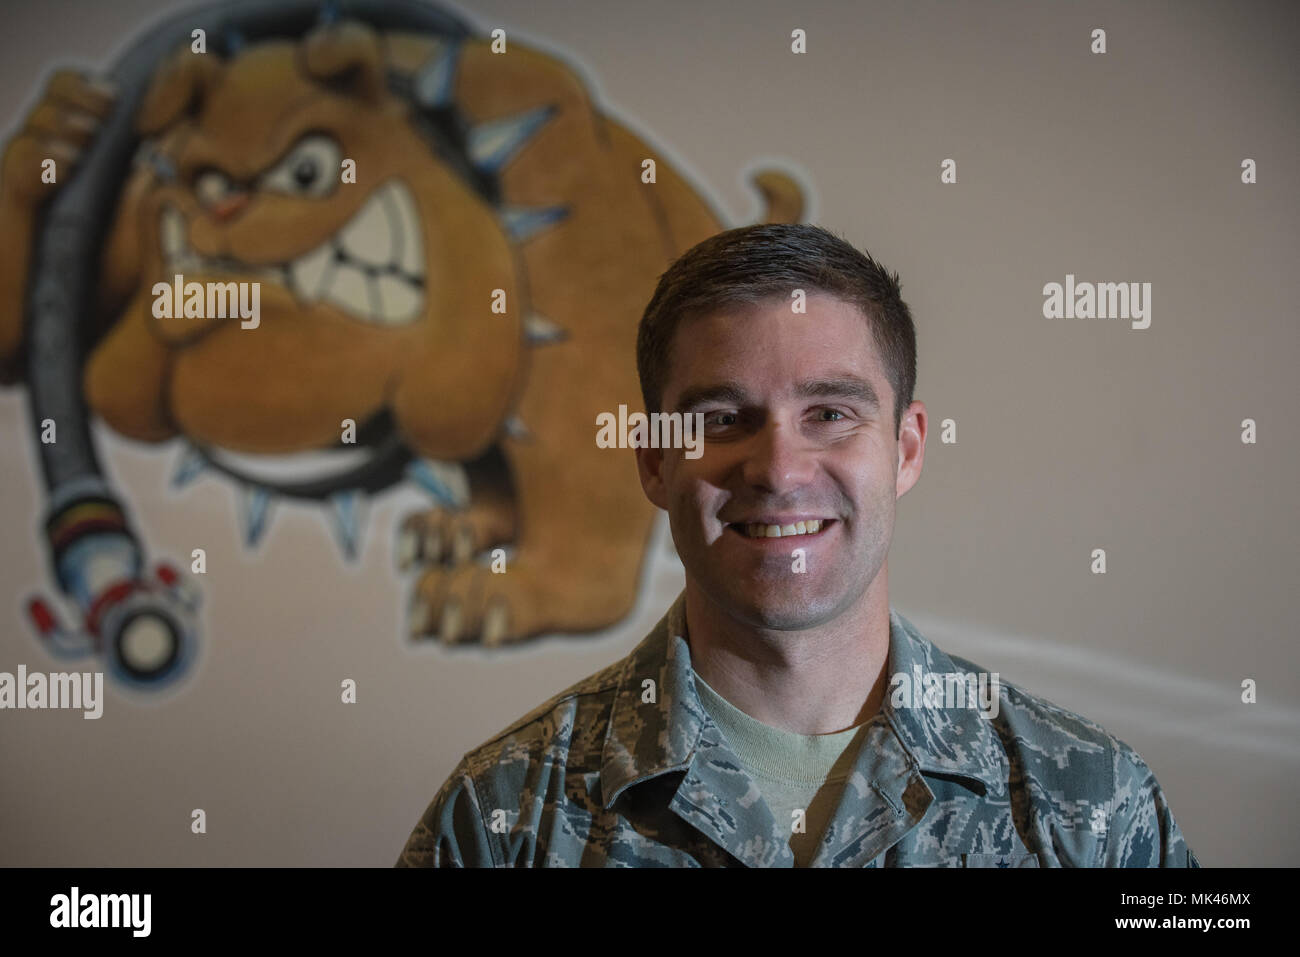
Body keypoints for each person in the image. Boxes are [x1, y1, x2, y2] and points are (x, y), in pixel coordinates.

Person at [396, 223, 1199, 867]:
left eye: (830, 413)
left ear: (907, 447)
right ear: (654, 462)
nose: (778, 470)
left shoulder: (1093, 806)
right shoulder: (502, 816)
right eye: (722, 418)